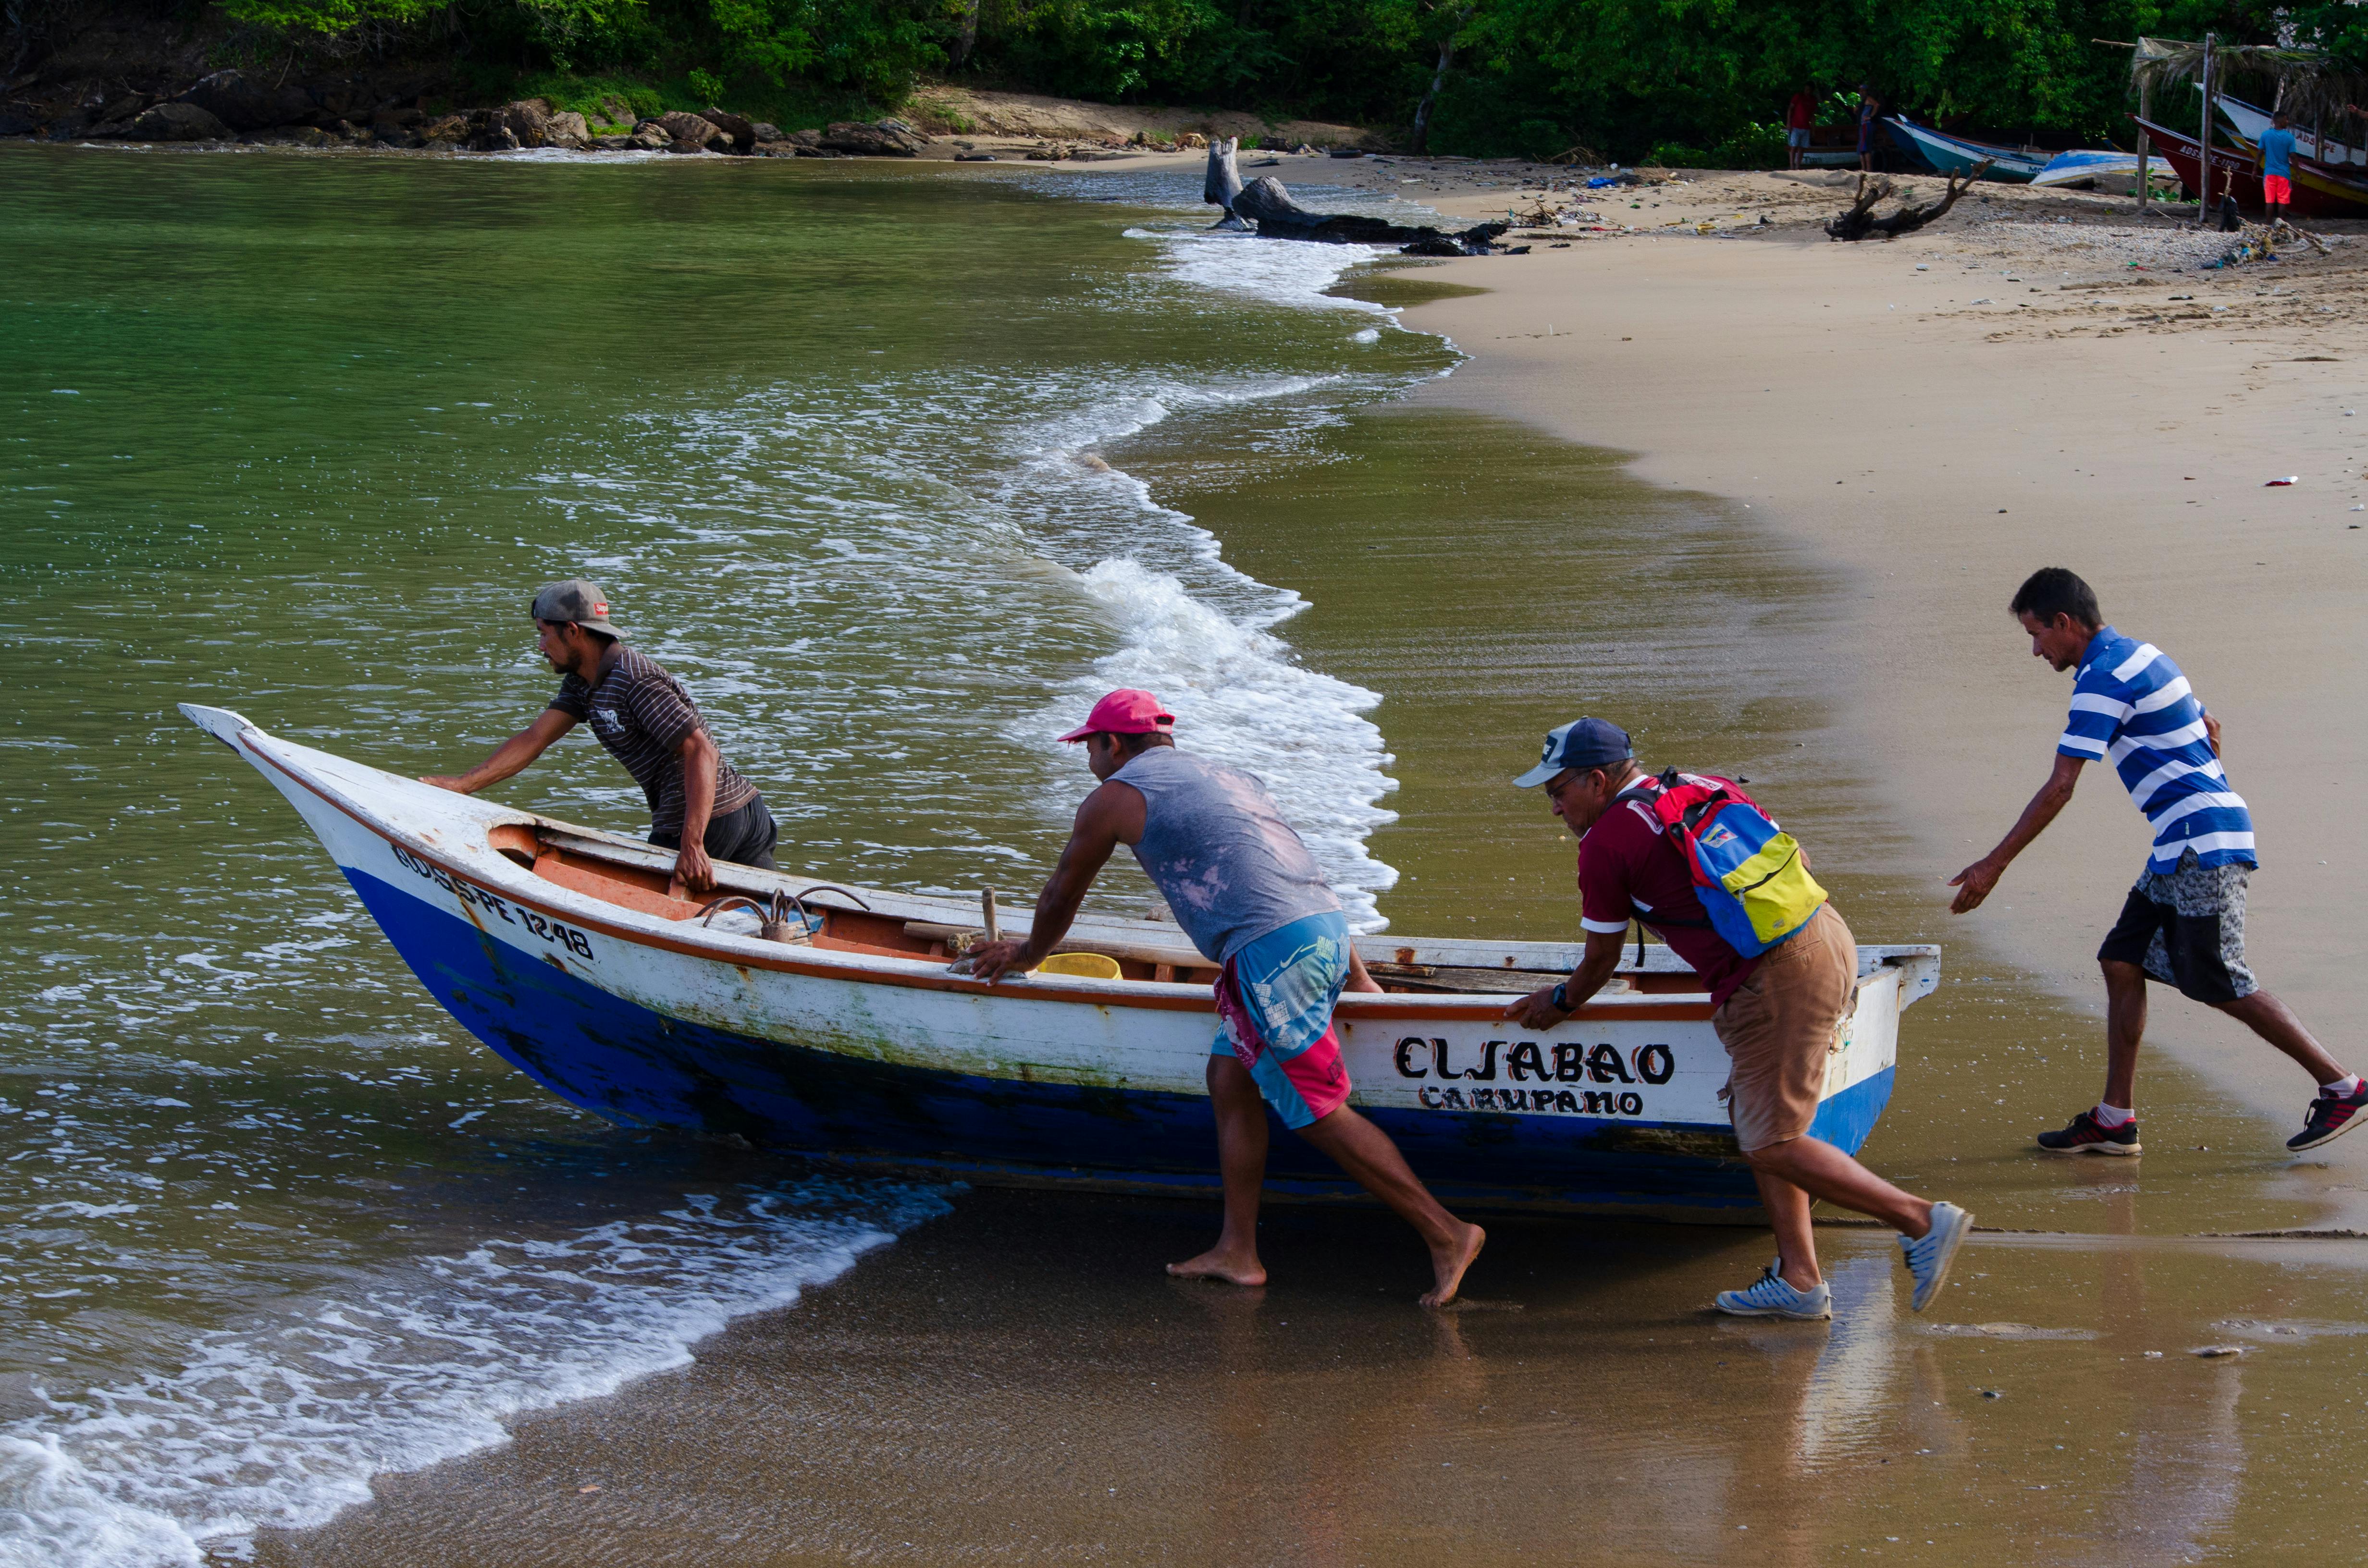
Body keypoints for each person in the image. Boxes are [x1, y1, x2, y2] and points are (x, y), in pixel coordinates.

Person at [969, 689, 1486, 1307]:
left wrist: (1027, 954)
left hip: (1271, 951)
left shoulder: (1114, 797)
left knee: (1314, 1107)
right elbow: (1296, 871)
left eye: (1088, 747)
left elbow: (1061, 893)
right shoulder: (1230, 776)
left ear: (1111, 744)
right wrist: (1354, 974)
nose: (1087, 760)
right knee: (1229, 1077)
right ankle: (1238, 1251)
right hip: (1318, 930)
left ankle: (1447, 1233)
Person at [1503, 718, 1969, 1320]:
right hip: (1825, 936)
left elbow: (1600, 960)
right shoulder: (1697, 786)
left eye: (1557, 792)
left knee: (1771, 1140)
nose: (1554, 810)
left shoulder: (1606, 842)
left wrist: (1559, 1003)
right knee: (1759, 1122)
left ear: (1596, 781)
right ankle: (1799, 1281)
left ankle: (1919, 1220)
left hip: (1776, 979)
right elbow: (1793, 855)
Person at [1949, 568, 2365, 1155]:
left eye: (2036, 635)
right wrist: (2204, 778)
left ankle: (2341, 1086)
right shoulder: (2140, 654)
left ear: (2064, 623)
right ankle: (2114, 1118)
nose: (2036, 650)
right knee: (2120, 960)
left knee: (2219, 980)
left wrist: (1993, 864)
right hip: (2182, 840)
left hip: (2200, 840)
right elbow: (2207, 724)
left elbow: (2060, 787)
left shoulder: (2100, 678)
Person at [421, 580, 776, 894]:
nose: (541, 646)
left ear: (573, 631)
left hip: (708, 819)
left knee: (651, 915)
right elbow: (535, 739)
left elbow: (701, 751)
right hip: (739, 811)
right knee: (771, 921)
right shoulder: (583, 682)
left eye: (544, 633)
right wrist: (463, 786)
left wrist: (692, 844)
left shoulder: (634, 680)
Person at [2260, 110, 2298, 226]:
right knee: (2282, 202)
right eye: (2286, 119)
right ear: (2280, 121)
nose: (2288, 122)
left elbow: (2260, 153)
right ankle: (2282, 227)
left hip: (2269, 173)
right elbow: (2293, 156)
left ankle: (2268, 226)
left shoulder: (2266, 135)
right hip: (2284, 174)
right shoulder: (2289, 138)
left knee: (2270, 202)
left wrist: (2254, 169)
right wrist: (2297, 172)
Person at [1787, 87, 1816, 171]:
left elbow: (1813, 116)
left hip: (1806, 127)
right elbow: (1790, 109)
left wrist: (1813, 130)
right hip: (1796, 126)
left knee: (1802, 148)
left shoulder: (1813, 100)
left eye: (1810, 90)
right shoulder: (1798, 97)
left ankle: (1798, 167)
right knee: (1794, 146)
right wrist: (1789, 123)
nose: (1808, 91)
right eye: (1807, 89)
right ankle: (1792, 167)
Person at [1856, 85, 1882, 173]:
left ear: (1867, 91)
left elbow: (1877, 105)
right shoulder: (1862, 102)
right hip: (1863, 126)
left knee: (1865, 148)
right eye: (1860, 91)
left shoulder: (1869, 99)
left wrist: (1870, 117)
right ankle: (1864, 169)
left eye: (1864, 91)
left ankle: (1867, 169)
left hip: (1866, 125)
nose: (1862, 92)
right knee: (1862, 148)